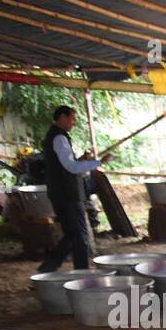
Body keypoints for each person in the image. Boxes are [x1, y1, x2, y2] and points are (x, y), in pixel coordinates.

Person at [38, 105, 110, 273]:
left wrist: (82, 160)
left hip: (61, 192)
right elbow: (70, 166)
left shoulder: (56, 137)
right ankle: (79, 272)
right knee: (78, 235)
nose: (74, 123)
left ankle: (52, 268)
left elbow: (65, 163)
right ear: (62, 117)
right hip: (67, 193)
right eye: (72, 118)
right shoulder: (59, 138)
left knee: (73, 234)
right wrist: (99, 162)